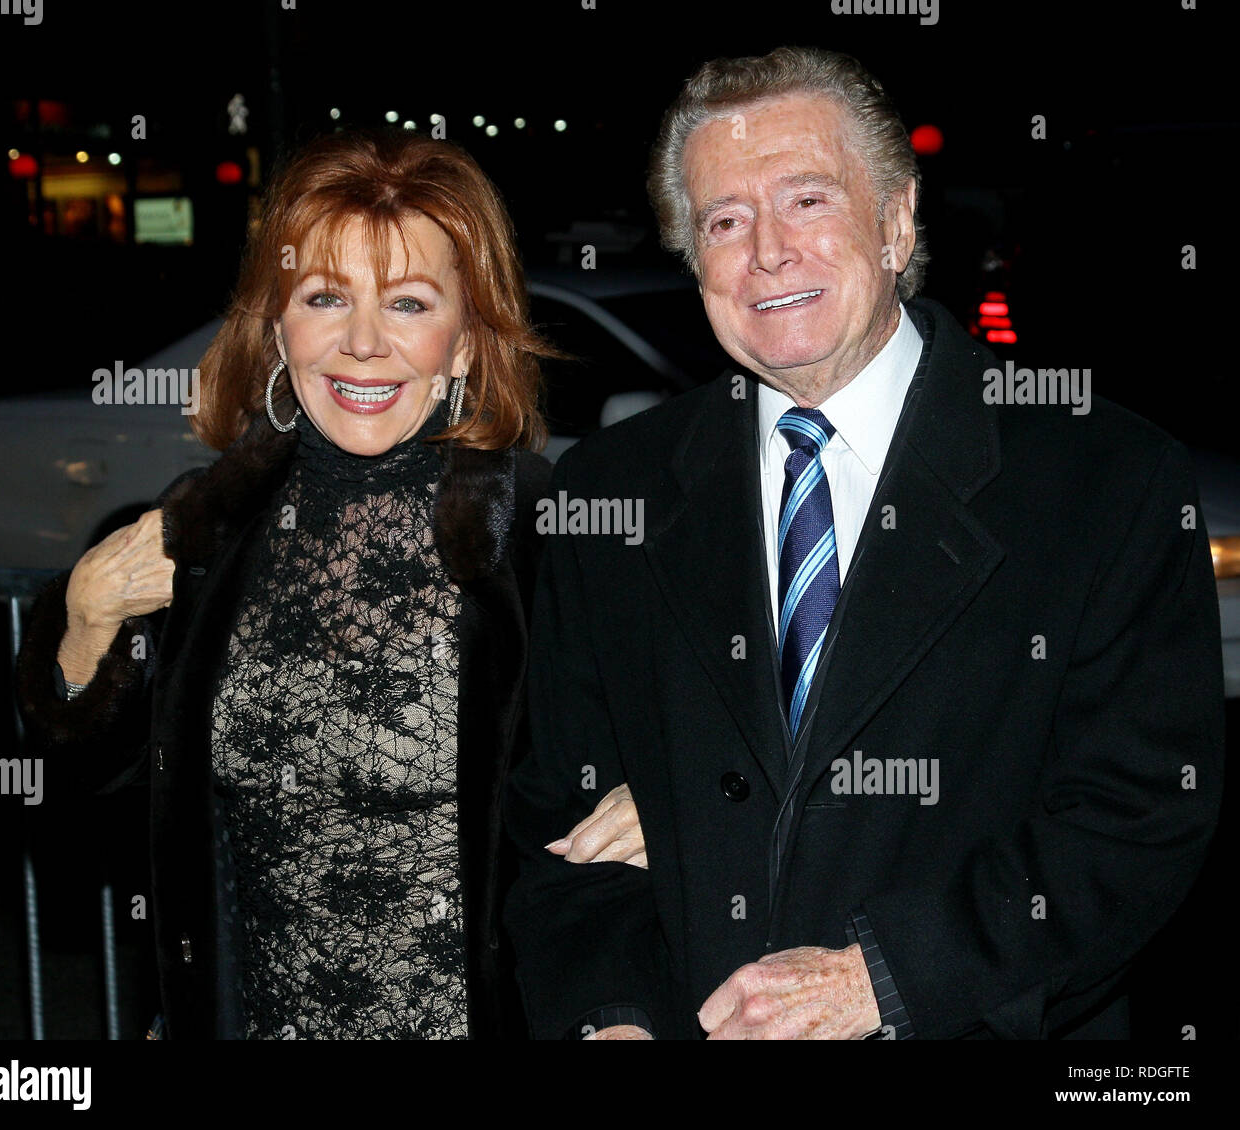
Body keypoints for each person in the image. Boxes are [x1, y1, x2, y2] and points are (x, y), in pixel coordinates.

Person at [504, 46, 1224, 1040]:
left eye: (806, 201)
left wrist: (881, 980)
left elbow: (1134, 816)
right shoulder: (612, 492)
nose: (765, 251)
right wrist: (611, 1013)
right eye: (723, 220)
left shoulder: (1102, 479)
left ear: (894, 222)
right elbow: (559, 813)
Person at [14, 128, 637, 1040]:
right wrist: (80, 629)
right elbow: (94, 813)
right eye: (325, 297)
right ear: (278, 328)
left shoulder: (545, 538)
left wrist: (668, 799)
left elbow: (686, 746)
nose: (362, 344)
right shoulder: (200, 533)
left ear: (466, 344)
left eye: (411, 303)